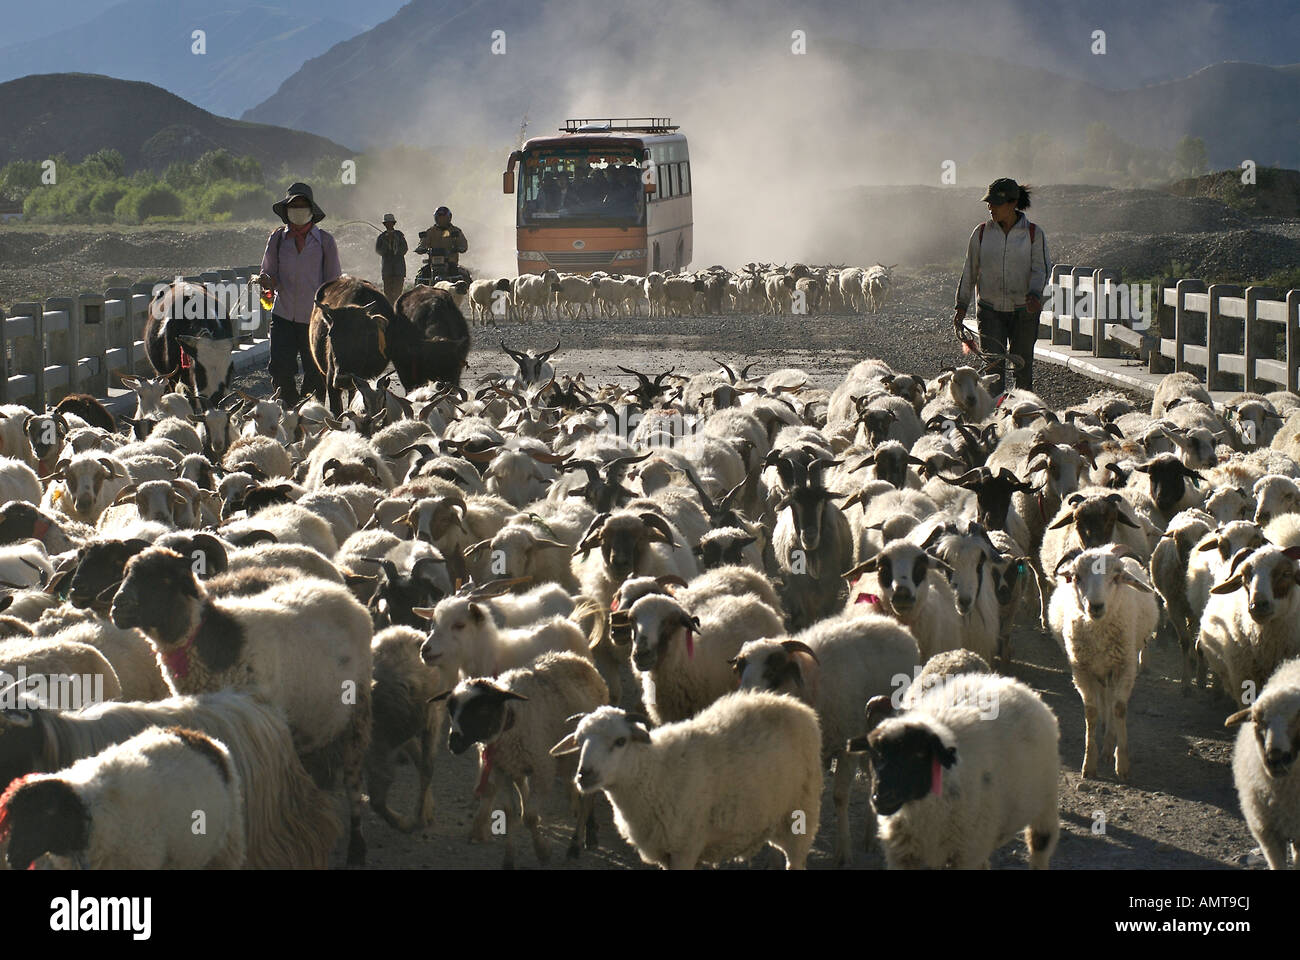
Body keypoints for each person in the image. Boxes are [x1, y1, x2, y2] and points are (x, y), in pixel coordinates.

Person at [953, 177, 1052, 393]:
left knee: (1022, 367)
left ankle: (1023, 414)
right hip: (990, 311)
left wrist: (1035, 294)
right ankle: (993, 419)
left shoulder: (1034, 234)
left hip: (1024, 312)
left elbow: (1041, 269)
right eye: (989, 204)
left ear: (1012, 204)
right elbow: (969, 271)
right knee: (993, 370)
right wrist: (961, 306)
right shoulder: (980, 234)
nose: (990, 208)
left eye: (995, 204)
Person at [257, 182, 341, 406]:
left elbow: (333, 282)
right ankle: (287, 407)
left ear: (311, 210)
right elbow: (268, 270)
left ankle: (308, 411)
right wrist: (266, 280)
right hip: (283, 315)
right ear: (286, 211)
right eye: (294, 206)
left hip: (313, 319)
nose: (299, 210)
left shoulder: (325, 241)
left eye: (303, 205)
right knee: (280, 368)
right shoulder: (277, 240)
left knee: (315, 370)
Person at [414, 206, 469, 281]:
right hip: (432, 264)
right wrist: (421, 248)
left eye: (444, 218)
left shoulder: (455, 231)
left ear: (449, 218)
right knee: (420, 277)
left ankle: (467, 291)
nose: (442, 220)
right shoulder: (430, 231)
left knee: (463, 277)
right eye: (440, 218)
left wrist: (459, 248)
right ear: (436, 218)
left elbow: (463, 244)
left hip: (450, 263)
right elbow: (422, 243)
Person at [374, 213, 408, 305]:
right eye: (387, 223)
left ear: (393, 223)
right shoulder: (381, 237)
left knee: (398, 293)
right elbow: (379, 251)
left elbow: (404, 249)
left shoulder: (400, 235)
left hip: (399, 270)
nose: (389, 225)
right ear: (385, 225)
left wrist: (394, 242)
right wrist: (387, 243)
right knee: (387, 294)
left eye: (390, 223)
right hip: (387, 270)